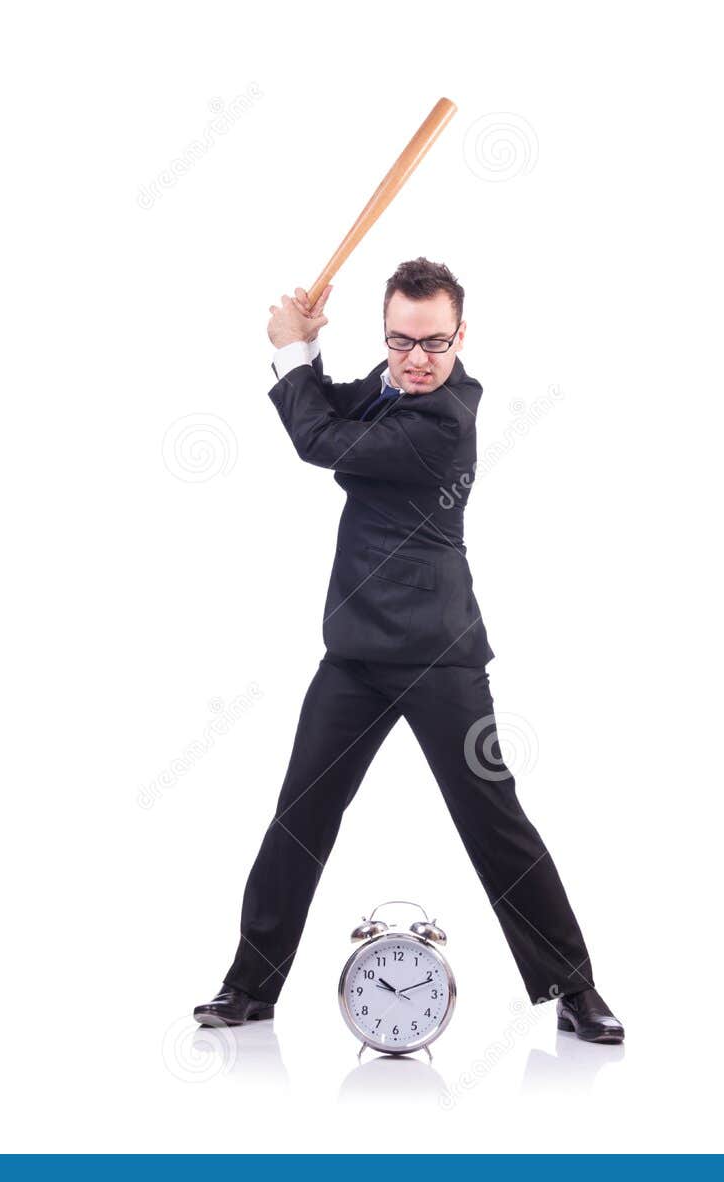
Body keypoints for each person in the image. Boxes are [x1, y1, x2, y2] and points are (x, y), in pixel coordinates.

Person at [193, 258, 623, 1044]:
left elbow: (319, 440)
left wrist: (288, 351)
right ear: (386, 336)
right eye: (400, 342)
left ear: (461, 335)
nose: (416, 359)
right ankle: (249, 986)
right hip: (354, 657)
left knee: (494, 821)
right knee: (300, 817)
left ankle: (575, 988)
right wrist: (310, 353)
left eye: (433, 342)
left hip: (441, 659)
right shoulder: (389, 384)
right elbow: (332, 409)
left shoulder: (446, 418)